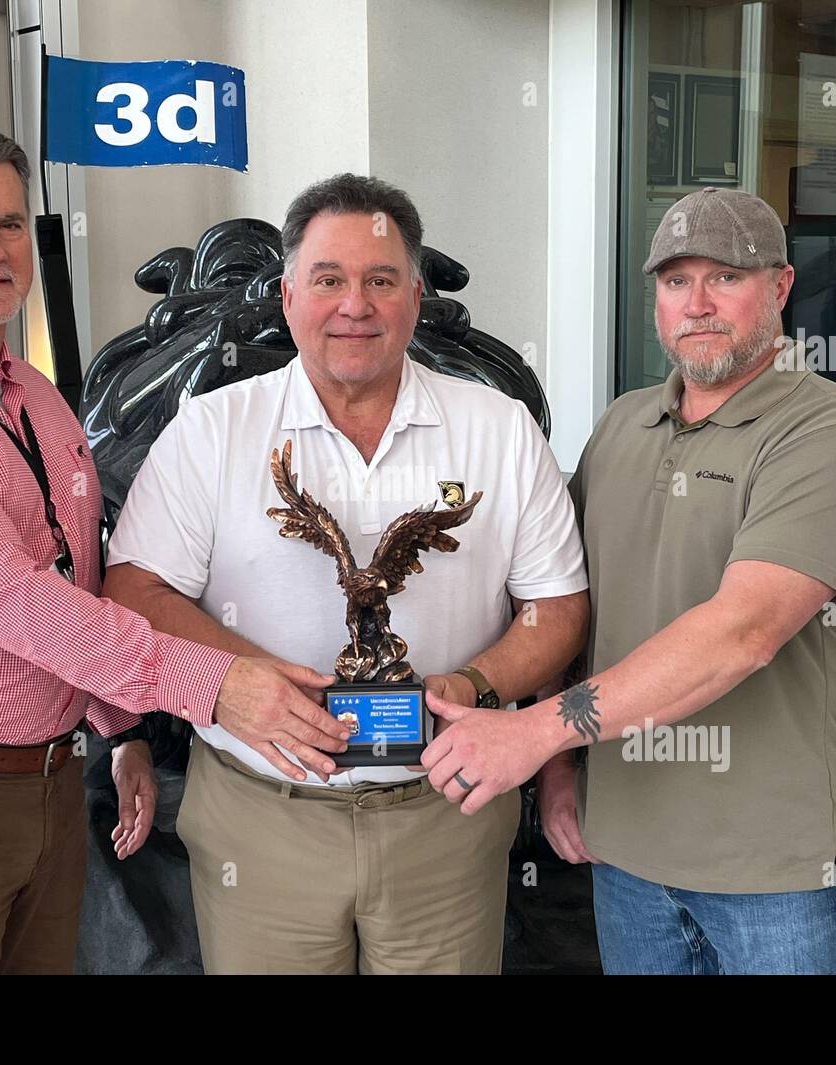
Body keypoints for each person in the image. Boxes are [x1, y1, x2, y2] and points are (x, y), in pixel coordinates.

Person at [0, 121, 328, 974]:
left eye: (11, 224)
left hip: (47, 781)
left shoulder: (38, 398)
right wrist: (217, 685)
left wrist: (118, 727)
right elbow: (16, 599)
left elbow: (76, 574)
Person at [103, 173, 590, 975]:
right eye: (328, 279)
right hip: (263, 820)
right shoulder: (211, 430)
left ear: (417, 295)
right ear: (289, 295)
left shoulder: (498, 431)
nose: (353, 304)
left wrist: (476, 684)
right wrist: (243, 680)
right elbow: (134, 592)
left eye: (380, 279)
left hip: (448, 816)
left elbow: (557, 606)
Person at [420, 187, 836, 975]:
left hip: (773, 875)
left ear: (780, 288)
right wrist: (558, 770)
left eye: (727, 277)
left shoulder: (831, 435)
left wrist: (538, 732)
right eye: (677, 281)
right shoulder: (621, 426)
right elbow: (563, 609)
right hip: (627, 859)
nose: (699, 303)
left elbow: (740, 634)